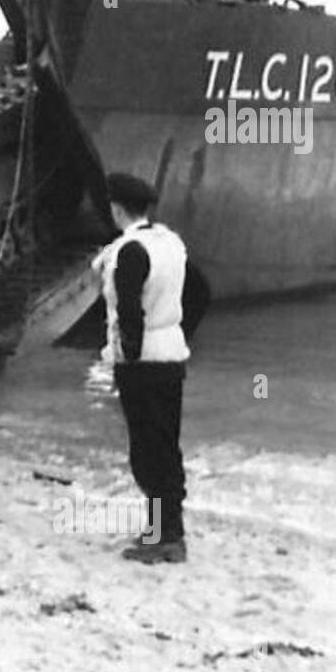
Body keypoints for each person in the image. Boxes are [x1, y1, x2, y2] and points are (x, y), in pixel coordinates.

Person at [93, 173, 191, 563]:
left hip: (143, 360)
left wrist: (127, 358)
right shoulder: (170, 242)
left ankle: (159, 536)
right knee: (167, 446)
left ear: (116, 209)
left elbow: (129, 310)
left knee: (146, 453)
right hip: (173, 353)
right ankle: (172, 531)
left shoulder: (129, 251)